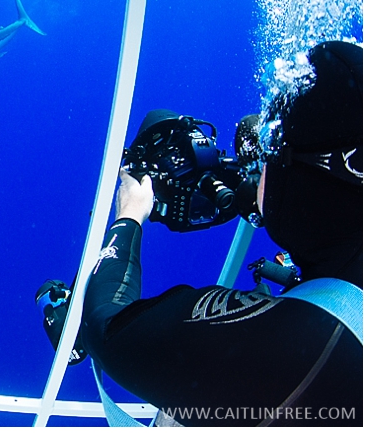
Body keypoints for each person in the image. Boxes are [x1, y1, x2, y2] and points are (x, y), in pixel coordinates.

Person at [79, 40, 362, 426]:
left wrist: (130, 213)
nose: (260, 166)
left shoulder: (295, 346)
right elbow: (320, 200)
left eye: (272, 151)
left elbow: (105, 326)